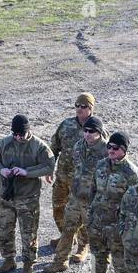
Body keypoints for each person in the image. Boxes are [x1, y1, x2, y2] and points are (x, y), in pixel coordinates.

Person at [0, 114, 55, 273]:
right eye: (15, 134)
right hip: (6, 195)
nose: (18, 137)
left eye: (21, 134)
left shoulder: (38, 146)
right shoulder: (4, 143)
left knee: (28, 232)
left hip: (28, 197)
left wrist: (27, 172)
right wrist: (1, 170)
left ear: (28, 131)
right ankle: (9, 259)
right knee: (5, 229)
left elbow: (49, 166)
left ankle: (28, 263)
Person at [75, 130, 136, 273]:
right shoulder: (101, 165)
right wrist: (92, 212)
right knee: (96, 255)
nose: (111, 150)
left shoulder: (131, 173)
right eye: (109, 147)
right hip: (97, 222)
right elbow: (93, 190)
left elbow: (135, 203)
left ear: (124, 150)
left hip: (117, 227)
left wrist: (126, 227)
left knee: (121, 263)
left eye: (116, 148)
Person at [46, 115, 105, 273]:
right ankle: (60, 261)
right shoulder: (79, 146)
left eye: (91, 131)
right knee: (67, 228)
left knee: (96, 239)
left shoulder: (106, 151)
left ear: (99, 132)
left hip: (92, 201)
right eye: (85, 131)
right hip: (76, 195)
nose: (87, 134)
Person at [46, 92, 96, 250]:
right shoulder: (66, 125)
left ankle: (83, 246)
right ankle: (66, 236)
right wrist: (49, 168)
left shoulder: (96, 128)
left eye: (84, 106)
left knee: (83, 215)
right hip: (62, 178)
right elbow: (54, 147)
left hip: (83, 183)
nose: (79, 109)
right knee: (58, 207)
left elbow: (105, 155)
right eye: (77, 105)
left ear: (91, 108)